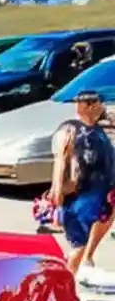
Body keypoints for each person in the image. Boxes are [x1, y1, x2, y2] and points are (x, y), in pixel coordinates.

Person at [48, 90, 115, 283]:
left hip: (101, 192)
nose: (101, 107)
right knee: (79, 243)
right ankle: (64, 281)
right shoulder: (70, 129)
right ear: (86, 106)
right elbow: (60, 161)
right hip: (80, 195)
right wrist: (57, 192)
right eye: (98, 104)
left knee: (102, 223)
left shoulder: (98, 130)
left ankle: (85, 260)